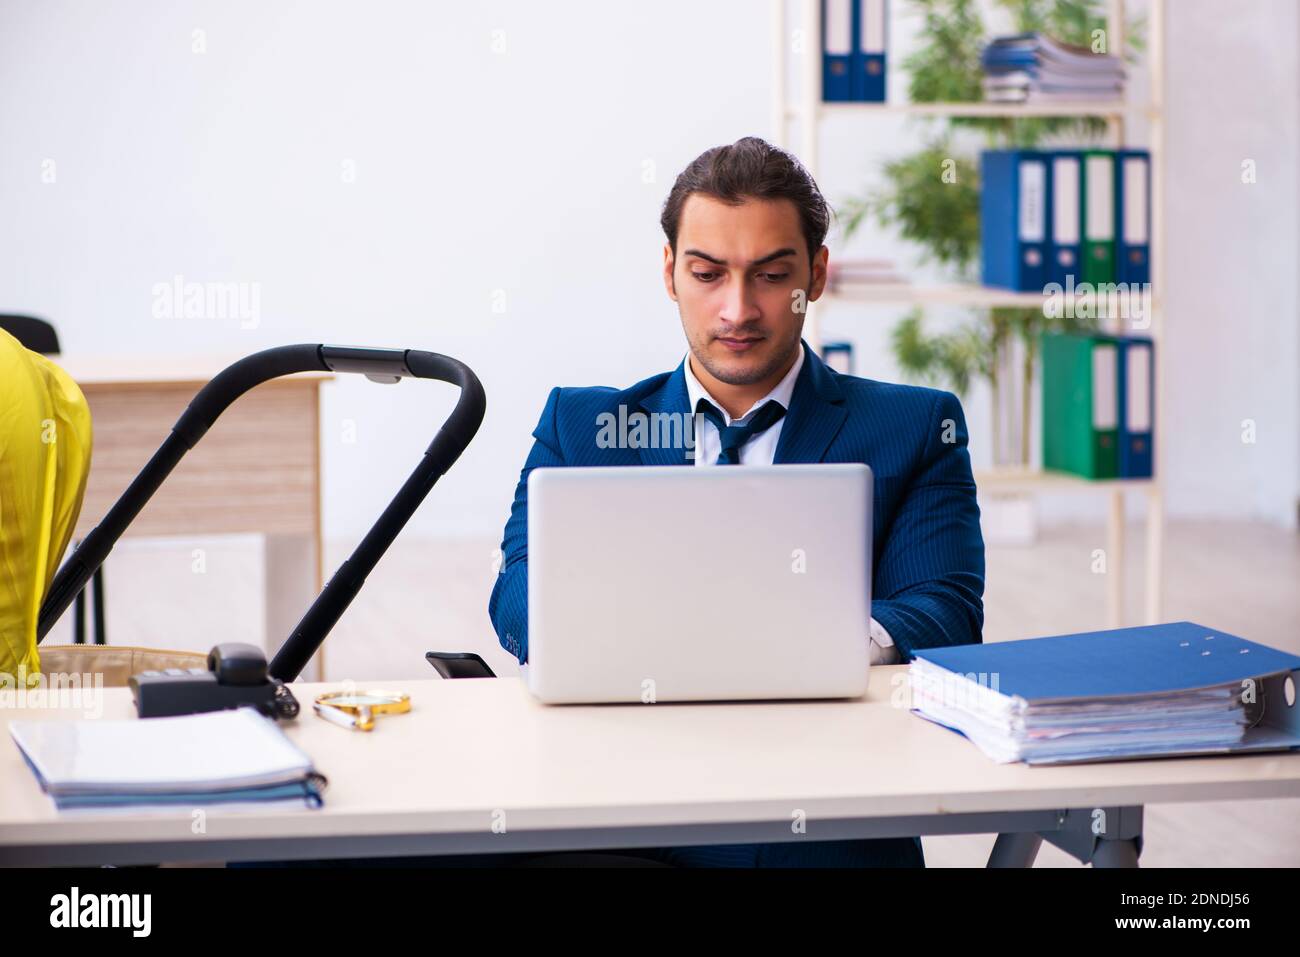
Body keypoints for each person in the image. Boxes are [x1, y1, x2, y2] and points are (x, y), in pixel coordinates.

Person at [488, 136, 986, 868]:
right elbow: (517, 592)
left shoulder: (914, 428)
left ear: (815, 274)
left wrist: (803, 649)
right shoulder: (581, 425)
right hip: (619, 786)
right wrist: (635, 649)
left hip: (820, 806)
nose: (738, 308)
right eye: (707, 273)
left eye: (771, 274)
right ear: (669, 273)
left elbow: (944, 609)